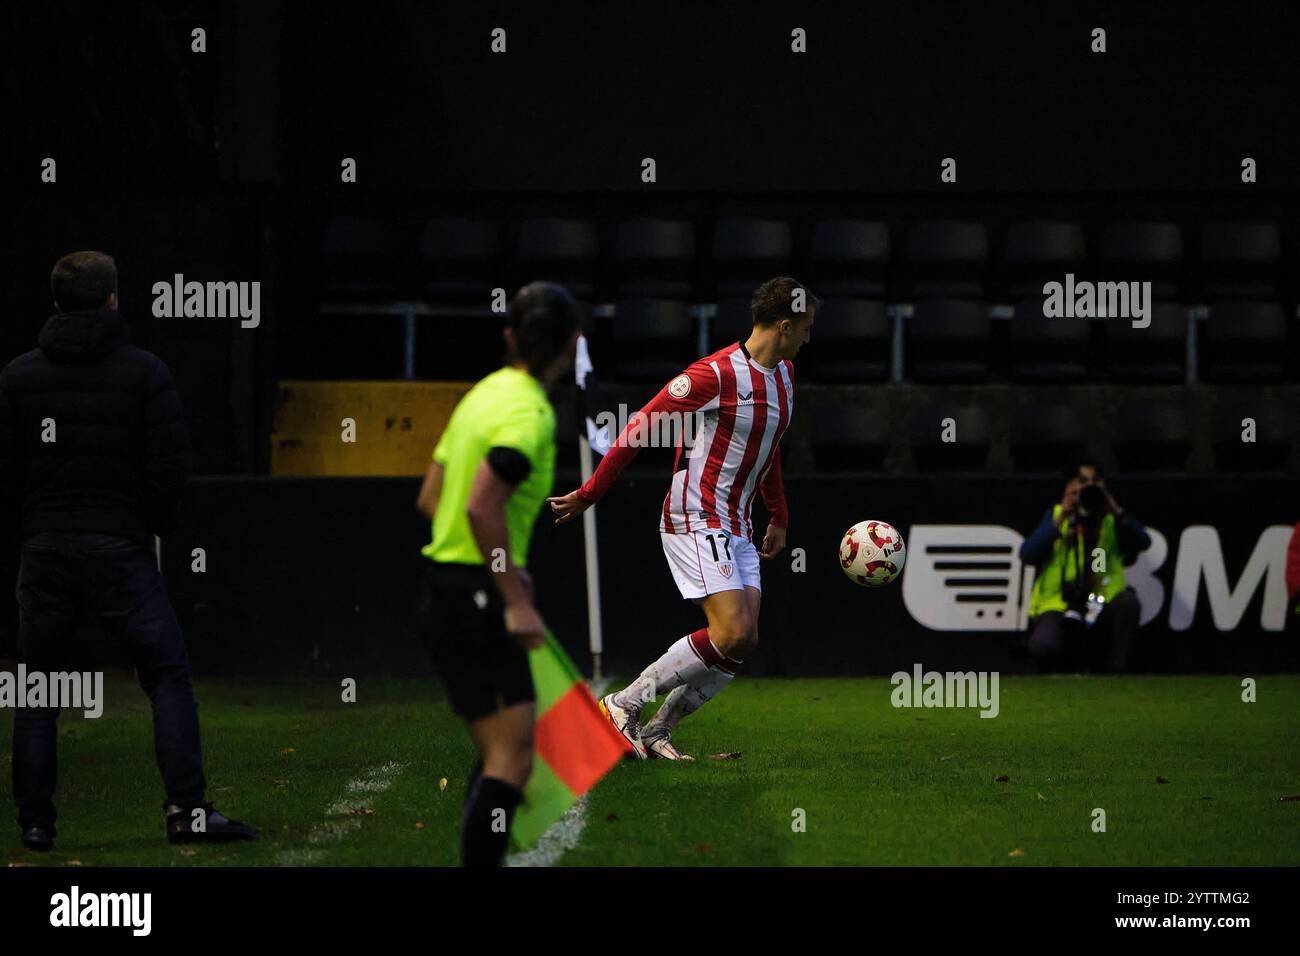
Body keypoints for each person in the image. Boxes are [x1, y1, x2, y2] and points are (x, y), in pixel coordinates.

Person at [0, 251, 258, 851]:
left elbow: (6, 474)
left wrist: (30, 530)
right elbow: (169, 468)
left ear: (58, 303)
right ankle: (186, 809)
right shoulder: (144, 373)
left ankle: (36, 824)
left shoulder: (18, 377)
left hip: (46, 547)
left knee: (38, 690)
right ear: (114, 300)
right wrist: (148, 527)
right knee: (166, 676)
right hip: (120, 545)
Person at [548, 276, 814, 760]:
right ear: (784, 324)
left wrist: (778, 512)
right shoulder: (713, 375)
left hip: (738, 521)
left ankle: (657, 729)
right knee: (730, 631)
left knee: (743, 640)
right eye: (805, 328)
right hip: (695, 514)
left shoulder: (785, 376)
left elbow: (769, 448)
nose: (808, 339)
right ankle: (622, 703)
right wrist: (591, 492)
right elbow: (639, 426)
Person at [416, 281, 579, 867]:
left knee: (499, 756)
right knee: (511, 760)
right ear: (572, 344)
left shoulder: (481, 395)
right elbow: (480, 506)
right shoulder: (531, 415)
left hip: (444, 589)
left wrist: (501, 569)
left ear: (510, 336)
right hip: (479, 600)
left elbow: (432, 498)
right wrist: (512, 594)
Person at [1020, 461, 1151, 672]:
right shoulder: (1056, 516)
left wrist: (1114, 508)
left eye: (1095, 481)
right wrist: (1064, 513)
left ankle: (1117, 671)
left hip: (1099, 601)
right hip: (1059, 604)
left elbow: (1143, 541)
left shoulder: (1110, 520)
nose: (1089, 486)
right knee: (1043, 646)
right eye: (1082, 481)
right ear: (1069, 486)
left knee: (1128, 603)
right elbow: (1028, 554)